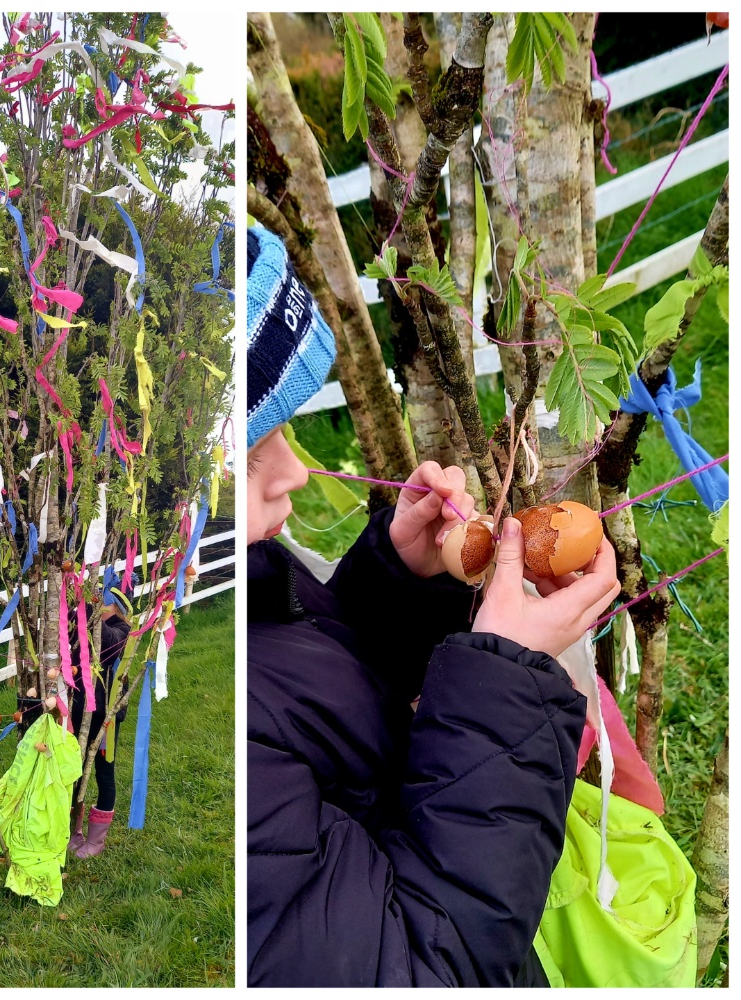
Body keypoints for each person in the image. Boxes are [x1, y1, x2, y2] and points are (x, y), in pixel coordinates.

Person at [245, 227, 622, 987]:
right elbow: (422, 968)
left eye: (283, 430)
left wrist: (399, 581)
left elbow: (312, 701)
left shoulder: (241, 581)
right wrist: (507, 683)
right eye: (247, 451)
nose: (295, 470)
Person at [66, 583, 133, 858]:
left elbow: (106, 642)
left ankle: (96, 840)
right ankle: (73, 830)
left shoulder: (124, 630)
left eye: (101, 602)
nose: (97, 606)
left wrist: (85, 606)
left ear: (116, 607)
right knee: (74, 770)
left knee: (104, 773)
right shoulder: (85, 625)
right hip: (79, 711)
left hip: (106, 716)